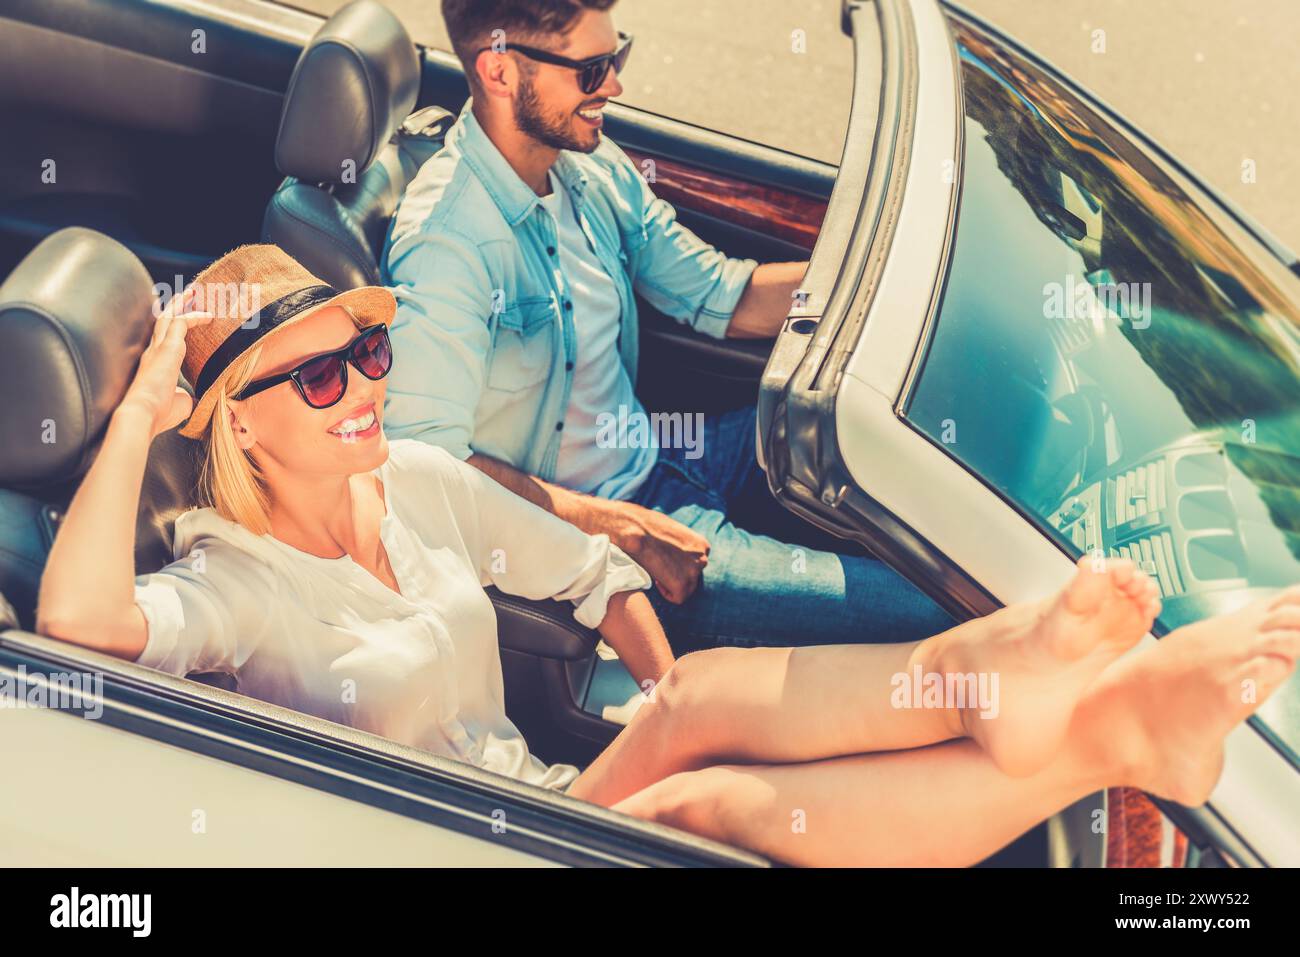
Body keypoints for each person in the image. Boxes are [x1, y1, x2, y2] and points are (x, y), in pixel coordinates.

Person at [37, 246, 1300, 866]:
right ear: (237, 424)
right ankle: (1097, 730)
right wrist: (143, 407)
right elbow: (81, 629)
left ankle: (1026, 693)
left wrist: (643, 691)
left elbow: (594, 574)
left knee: (693, 701)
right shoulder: (229, 586)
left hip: (533, 794)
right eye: (319, 375)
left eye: (368, 354)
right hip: (451, 843)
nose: (368, 386)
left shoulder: (409, 480)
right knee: (697, 792)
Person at [380, 0, 954, 653]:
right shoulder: (448, 246)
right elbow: (428, 471)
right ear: (501, 72)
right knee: (930, 613)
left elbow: (719, 294)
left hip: (670, 455)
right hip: (611, 546)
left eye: (615, 56)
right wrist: (624, 530)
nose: (616, 87)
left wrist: (893, 275)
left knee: (899, 456)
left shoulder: (585, 166)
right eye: (592, 70)